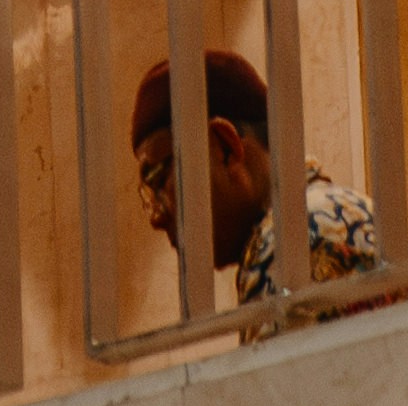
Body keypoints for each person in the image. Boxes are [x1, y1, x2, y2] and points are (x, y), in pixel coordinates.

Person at [125, 37, 376, 319]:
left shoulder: (291, 238)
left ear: (226, 149)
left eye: (159, 179)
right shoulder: (323, 213)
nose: (156, 218)